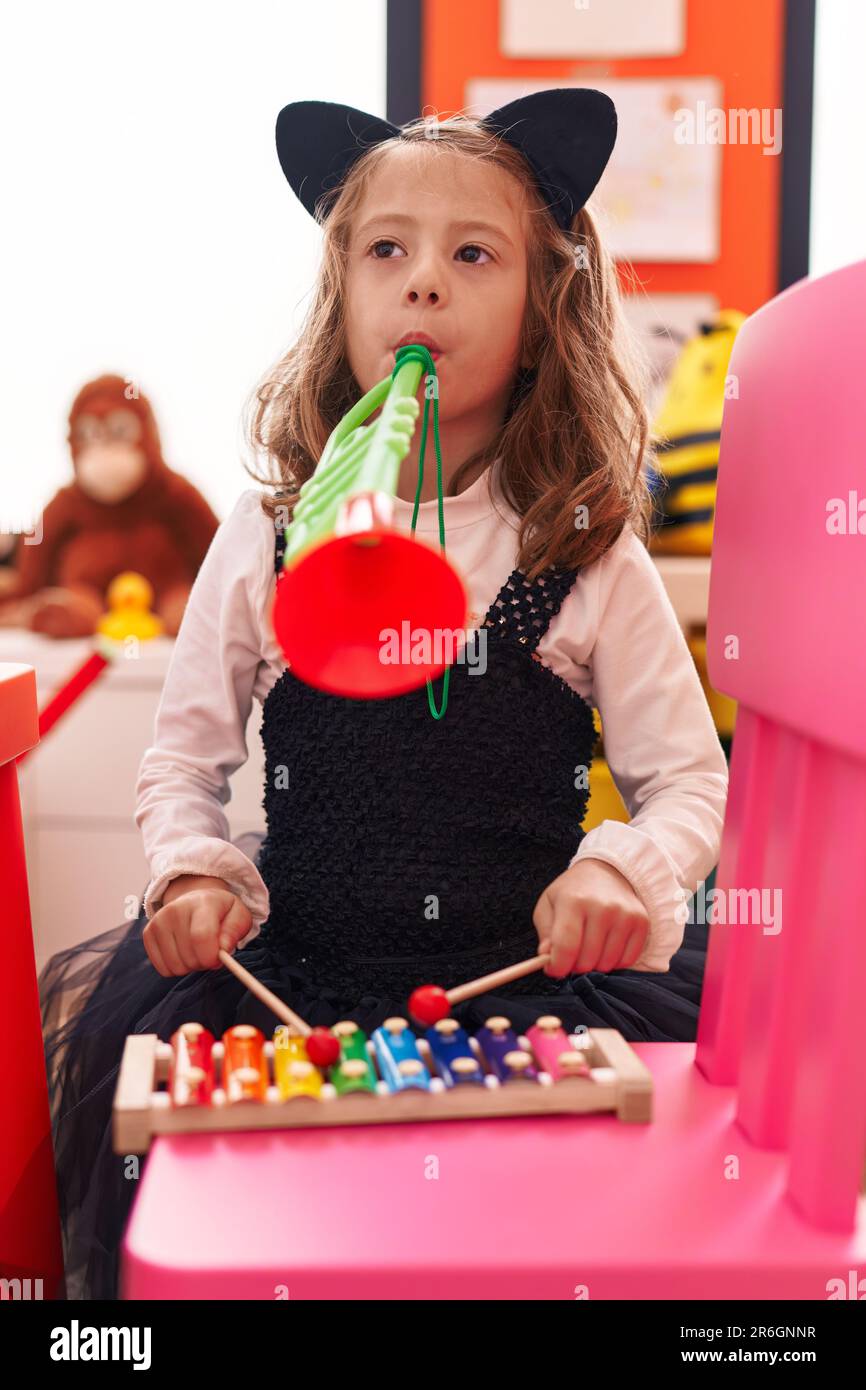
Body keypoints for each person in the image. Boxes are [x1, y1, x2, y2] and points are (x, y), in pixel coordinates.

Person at [40, 90, 728, 1300]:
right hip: (283, 1002)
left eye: (473, 254)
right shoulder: (266, 532)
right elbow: (182, 765)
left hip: (523, 1003)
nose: (422, 284)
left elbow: (686, 780)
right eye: (385, 250)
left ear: (542, 301)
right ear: (340, 293)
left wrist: (626, 870)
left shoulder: (583, 549)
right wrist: (191, 869)